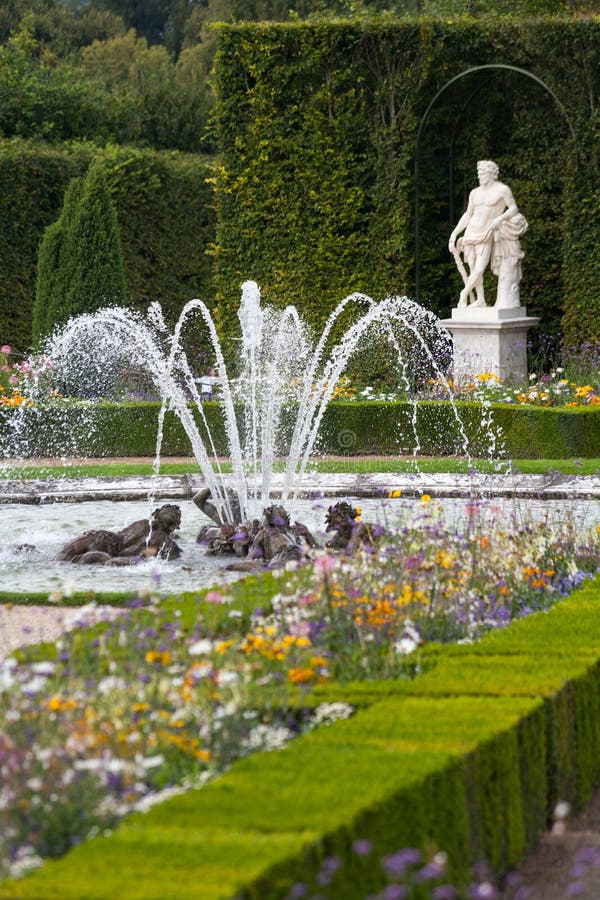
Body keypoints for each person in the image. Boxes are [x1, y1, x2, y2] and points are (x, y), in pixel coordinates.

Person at [448, 160, 528, 309]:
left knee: (479, 269)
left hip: (486, 233)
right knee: (472, 268)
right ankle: (480, 300)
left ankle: (464, 294)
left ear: (491, 174)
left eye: (482, 173)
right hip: (471, 231)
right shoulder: (474, 193)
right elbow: (468, 214)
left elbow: (513, 208)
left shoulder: (502, 190)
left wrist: (501, 218)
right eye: (478, 173)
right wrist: (455, 233)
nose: (479, 176)